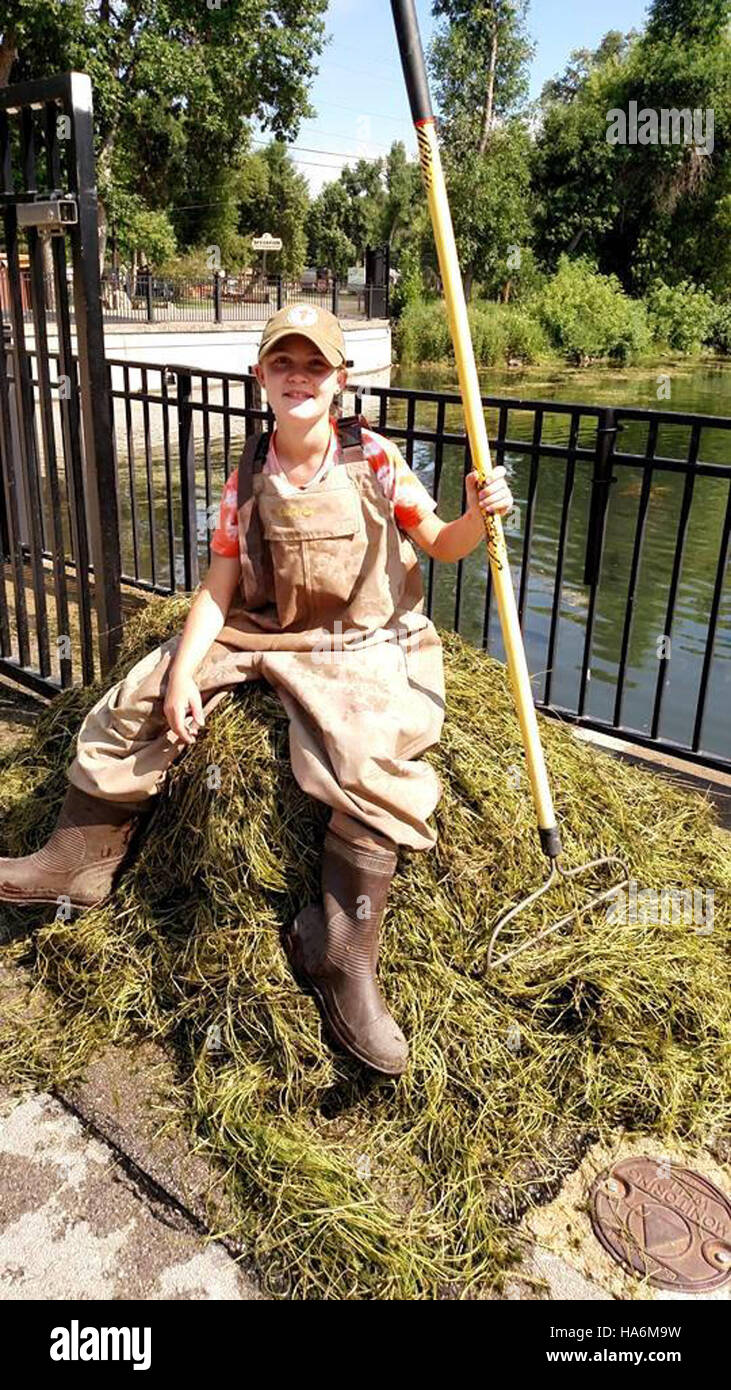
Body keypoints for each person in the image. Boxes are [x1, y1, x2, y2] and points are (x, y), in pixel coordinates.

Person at [0, 304, 512, 1076]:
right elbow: (217, 587)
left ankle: (339, 952)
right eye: (284, 363)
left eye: (314, 365)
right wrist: (179, 673)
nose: (298, 377)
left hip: (362, 639)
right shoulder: (245, 475)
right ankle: (79, 861)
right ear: (260, 377)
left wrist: (479, 514)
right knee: (134, 696)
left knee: (374, 754)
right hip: (266, 630)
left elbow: (441, 544)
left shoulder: (374, 458)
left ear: (341, 380)